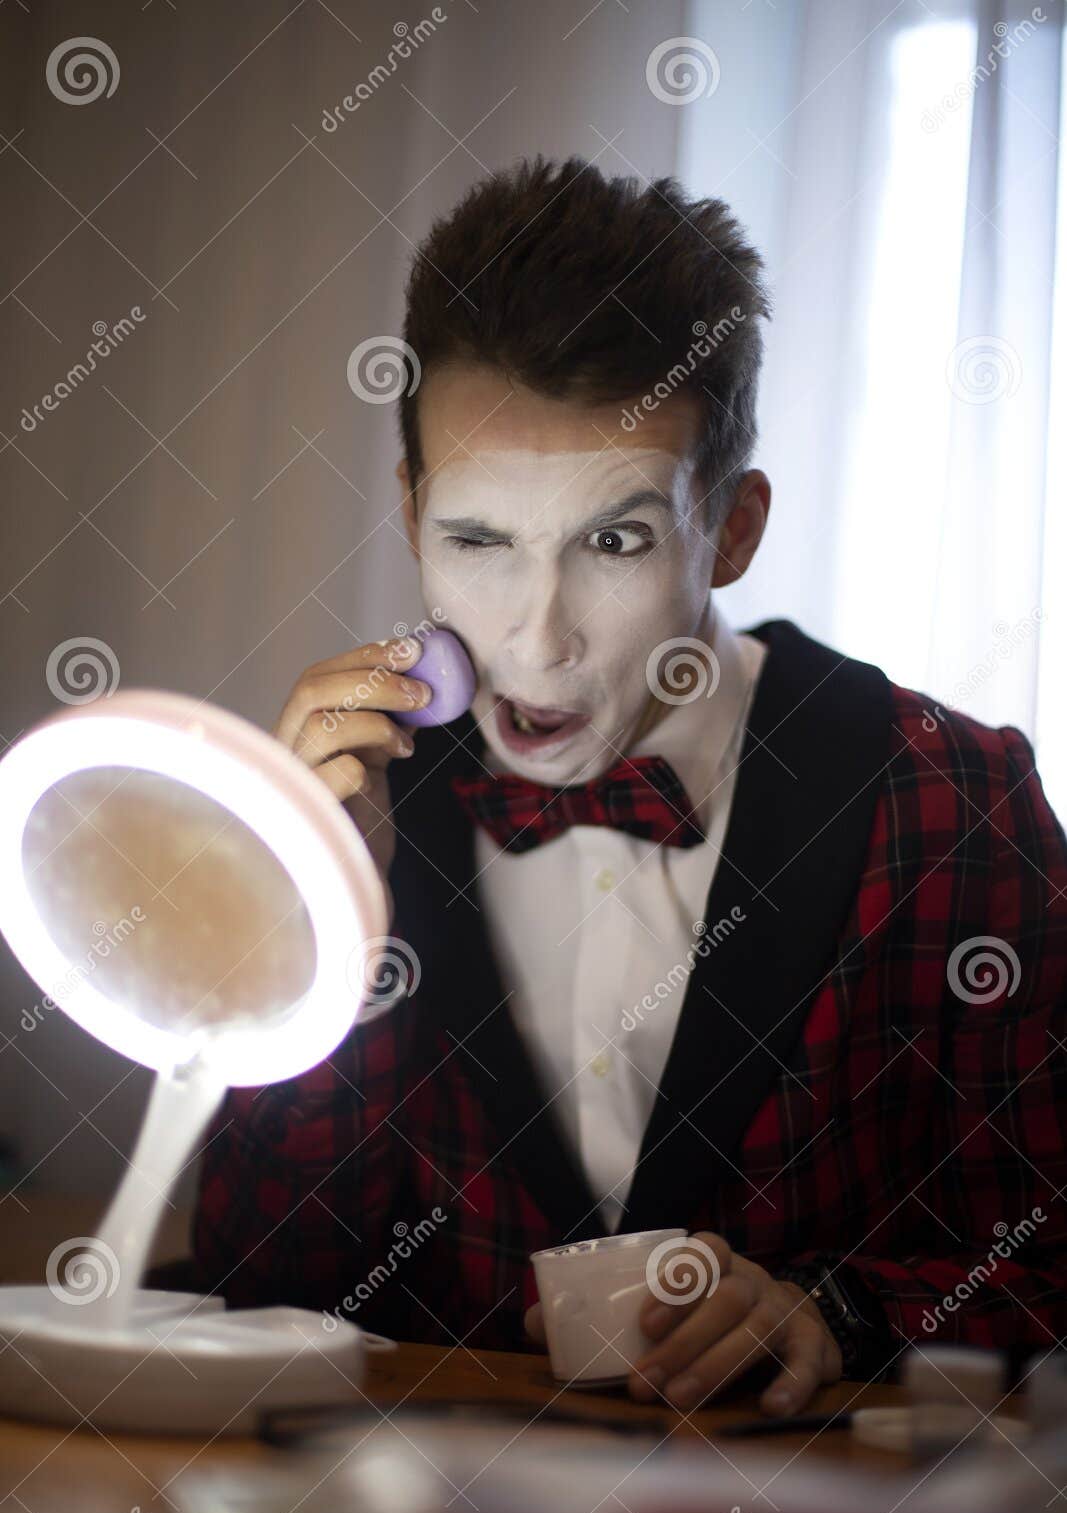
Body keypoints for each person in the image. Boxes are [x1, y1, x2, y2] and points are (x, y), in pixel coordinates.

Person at [191, 157, 1067, 1417]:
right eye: (477, 541)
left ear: (732, 527)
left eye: (614, 542)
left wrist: (835, 1310)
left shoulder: (952, 800)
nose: (536, 642)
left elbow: (1047, 1262)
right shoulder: (358, 797)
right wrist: (316, 928)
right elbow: (255, 1275)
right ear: (410, 511)